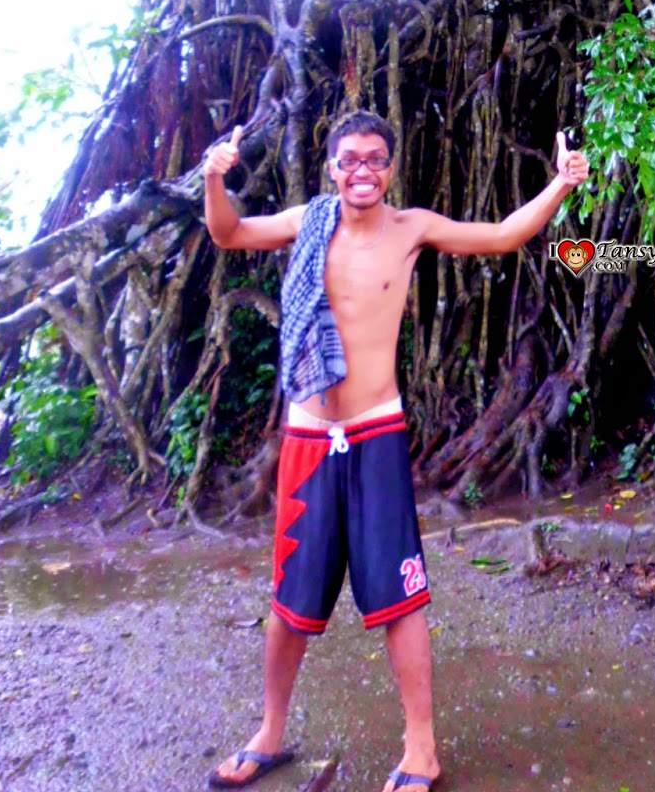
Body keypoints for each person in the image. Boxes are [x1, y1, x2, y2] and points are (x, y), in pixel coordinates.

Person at [203, 108, 589, 791]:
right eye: (350, 159)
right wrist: (214, 178)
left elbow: (501, 236)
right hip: (308, 437)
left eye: (375, 159)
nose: (362, 171)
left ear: (389, 166)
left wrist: (561, 185)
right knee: (290, 598)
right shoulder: (307, 221)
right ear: (332, 167)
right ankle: (269, 732)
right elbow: (228, 232)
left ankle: (422, 749)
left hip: (377, 432)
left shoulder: (410, 228)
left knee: (400, 597)